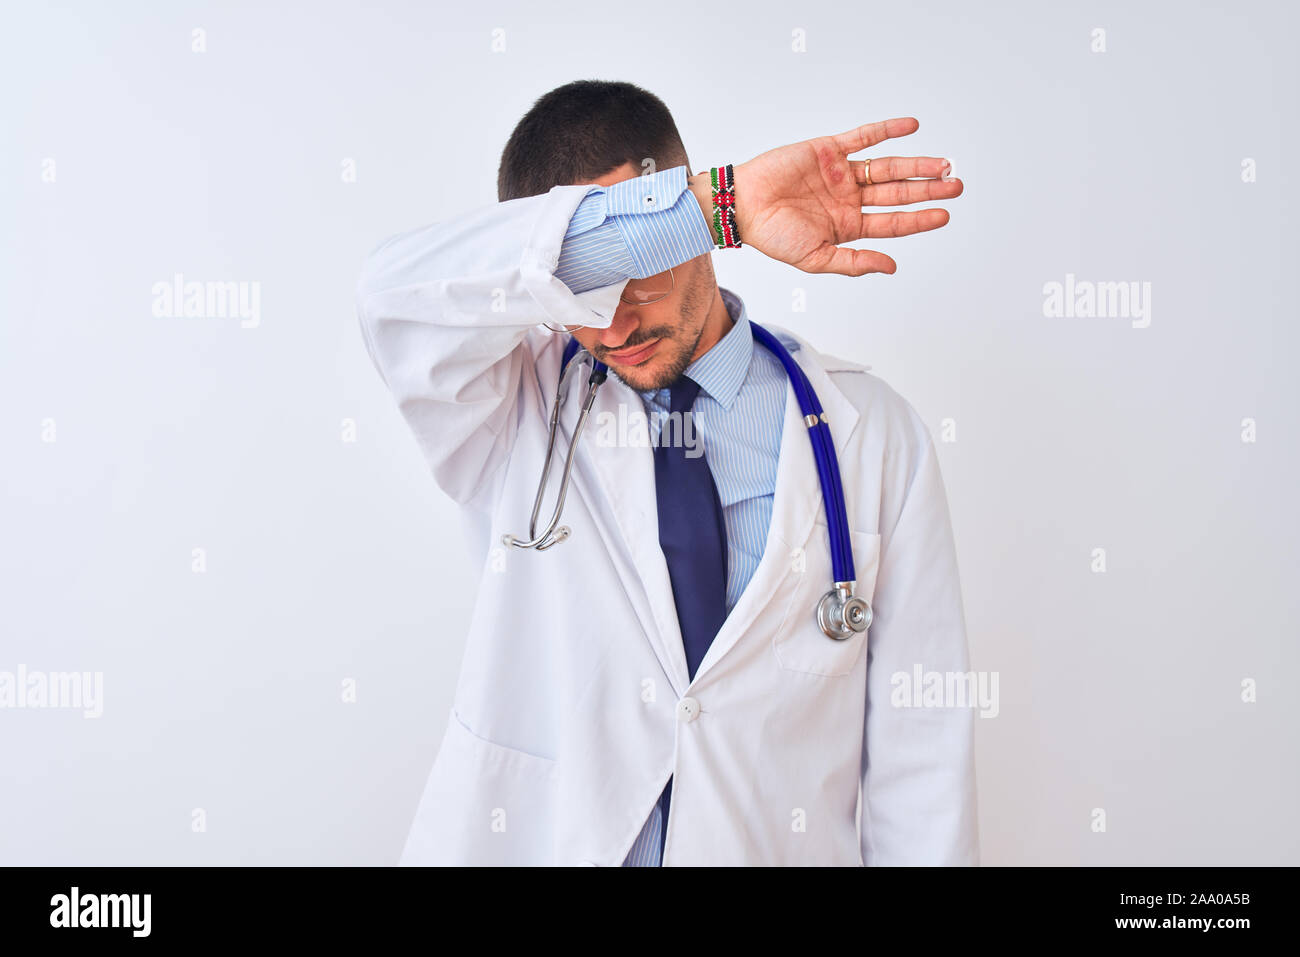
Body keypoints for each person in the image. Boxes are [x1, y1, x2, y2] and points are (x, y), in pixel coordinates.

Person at [355, 79, 978, 866]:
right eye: (582, 284)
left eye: (637, 266)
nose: (613, 322)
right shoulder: (507, 409)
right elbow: (389, 296)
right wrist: (711, 207)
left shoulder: (873, 435)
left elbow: (923, 765)